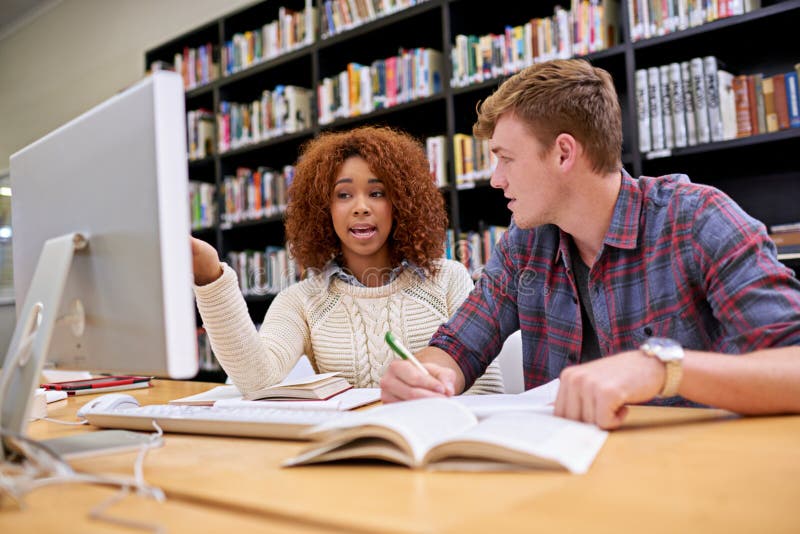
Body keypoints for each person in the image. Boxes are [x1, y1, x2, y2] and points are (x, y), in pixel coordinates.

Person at [380, 59, 800, 428]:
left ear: (564, 153)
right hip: (568, 483)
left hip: (697, 486)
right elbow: (459, 345)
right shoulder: (524, 243)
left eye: (506, 158)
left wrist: (661, 369)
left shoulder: (698, 220)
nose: (496, 179)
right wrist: (431, 374)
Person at [192, 126, 504, 395]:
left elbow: (487, 390)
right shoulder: (302, 301)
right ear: (322, 209)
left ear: (401, 203)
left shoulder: (448, 279)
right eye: (343, 195)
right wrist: (210, 277)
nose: (361, 207)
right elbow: (257, 381)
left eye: (377, 193)